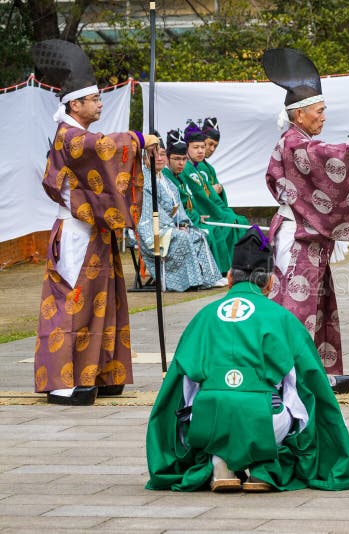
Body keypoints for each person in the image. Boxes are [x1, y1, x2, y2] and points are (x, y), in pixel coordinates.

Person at [145, 227, 349, 493]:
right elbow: (311, 381)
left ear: (228, 278)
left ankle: (219, 460)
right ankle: (265, 467)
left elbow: (177, 386)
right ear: (270, 283)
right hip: (266, 420)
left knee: (200, 396)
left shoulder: (203, 317)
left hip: (208, 422)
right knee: (293, 393)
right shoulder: (282, 318)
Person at [261, 47, 349, 393]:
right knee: (294, 307)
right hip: (297, 238)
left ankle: (314, 372)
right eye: (320, 111)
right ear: (300, 115)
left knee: (316, 303)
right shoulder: (296, 144)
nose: (324, 117)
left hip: (309, 236)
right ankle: (285, 376)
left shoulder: (301, 141)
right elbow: (331, 156)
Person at [31, 39, 159, 405]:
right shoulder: (69, 136)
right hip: (75, 234)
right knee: (71, 304)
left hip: (94, 233)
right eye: (95, 99)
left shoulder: (78, 134)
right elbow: (102, 148)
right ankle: (60, 381)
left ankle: (100, 371)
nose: (101, 104)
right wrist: (136, 139)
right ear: (75, 103)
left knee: (103, 303)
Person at [136, 136, 227, 292]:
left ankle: (208, 278)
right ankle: (187, 281)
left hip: (171, 226)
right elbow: (148, 211)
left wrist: (184, 223)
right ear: (145, 156)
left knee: (197, 233)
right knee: (182, 237)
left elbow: (178, 209)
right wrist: (174, 227)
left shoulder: (166, 180)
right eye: (154, 154)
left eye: (162, 154)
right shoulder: (142, 180)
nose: (159, 158)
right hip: (151, 229)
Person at [180, 121, 248, 273]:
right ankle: (228, 269)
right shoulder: (187, 168)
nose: (204, 150)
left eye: (204, 147)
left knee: (238, 221)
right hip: (201, 213)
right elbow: (198, 197)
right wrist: (220, 213)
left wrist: (224, 211)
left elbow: (209, 195)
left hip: (211, 210)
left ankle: (239, 266)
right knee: (227, 225)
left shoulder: (203, 168)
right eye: (199, 147)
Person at [163, 129, 232, 275]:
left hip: (189, 218)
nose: (181, 163)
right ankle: (214, 273)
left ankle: (222, 272)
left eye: (183, 159)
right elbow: (174, 205)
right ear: (167, 159)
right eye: (177, 159)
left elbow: (188, 200)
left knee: (218, 229)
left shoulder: (179, 176)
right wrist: (193, 217)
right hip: (175, 224)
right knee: (211, 232)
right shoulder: (166, 176)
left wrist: (195, 215)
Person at [198, 117, 229, 206]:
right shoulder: (187, 165)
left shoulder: (210, 168)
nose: (212, 149)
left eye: (215, 146)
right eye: (210, 144)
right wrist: (210, 190)